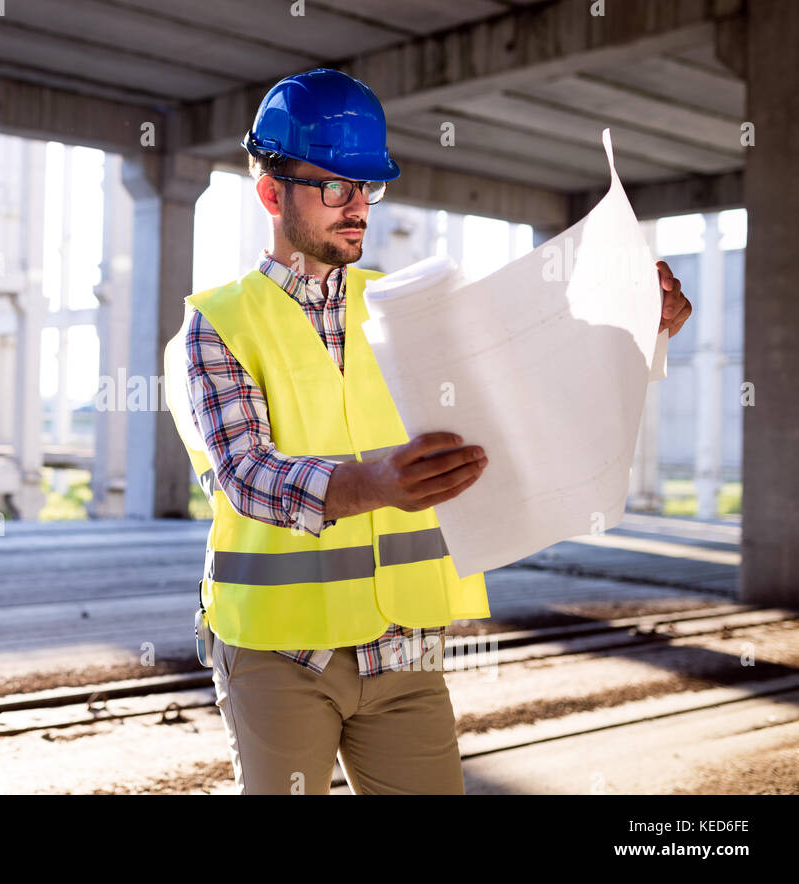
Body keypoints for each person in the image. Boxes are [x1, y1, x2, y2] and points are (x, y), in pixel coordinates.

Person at [163, 68, 692, 796]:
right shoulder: (218, 323)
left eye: (367, 188)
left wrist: (637, 331)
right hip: (278, 653)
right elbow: (246, 476)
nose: (358, 208)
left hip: (405, 651)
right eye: (335, 187)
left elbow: (527, 399)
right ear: (270, 192)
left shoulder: (406, 307)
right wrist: (374, 481)